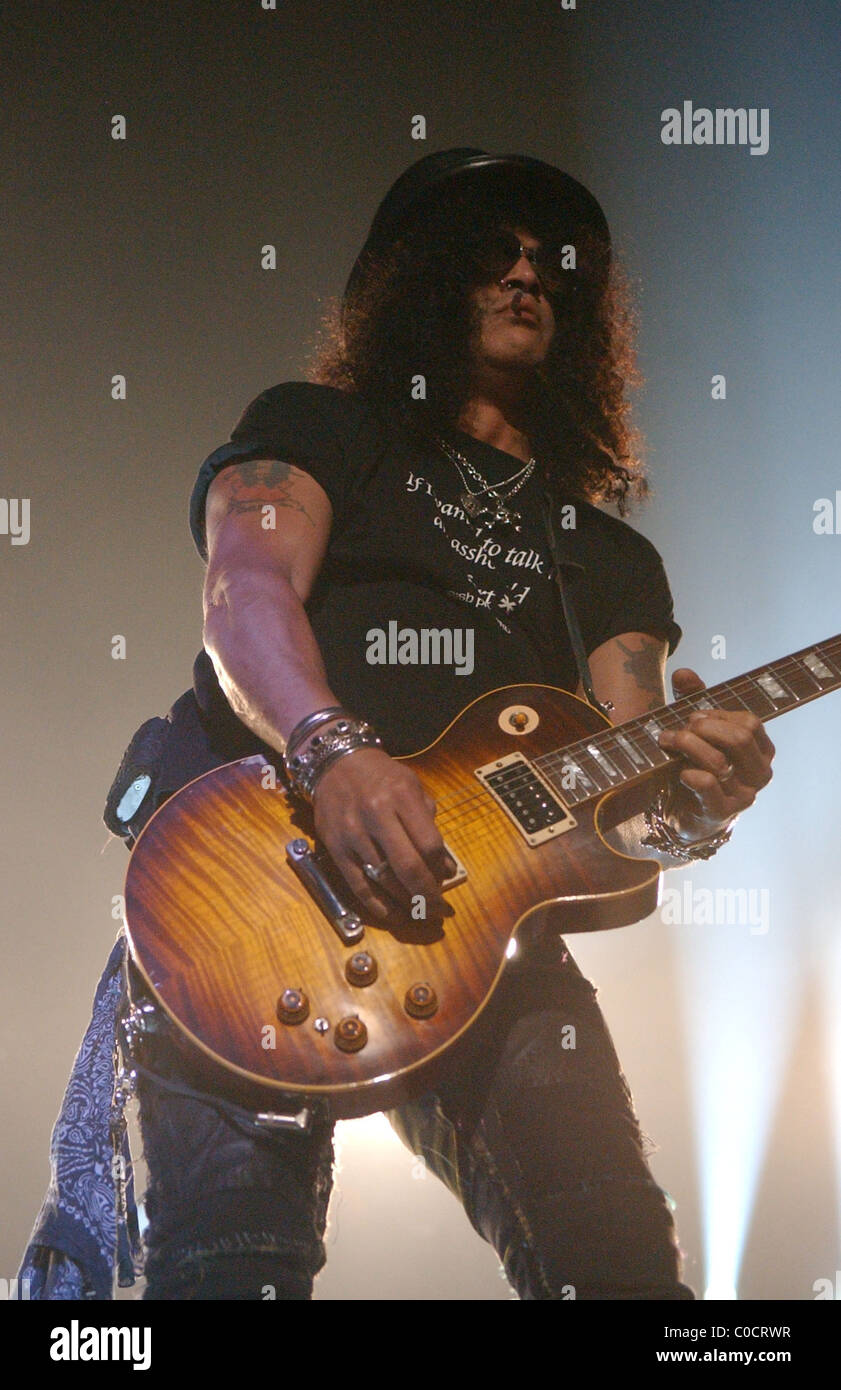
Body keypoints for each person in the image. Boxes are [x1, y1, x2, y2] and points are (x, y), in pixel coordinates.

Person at [19, 148, 775, 1301]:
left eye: (553, 261)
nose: (528, 276)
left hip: (492, 951)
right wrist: (334, 749)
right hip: (259, 885)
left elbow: (626, 841)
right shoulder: (319, 428)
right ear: (421, 280)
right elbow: (245, 588)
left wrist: (702, 806)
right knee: (230, 1274)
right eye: (491, 252)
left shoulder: (612, 557)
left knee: (624, 1269)